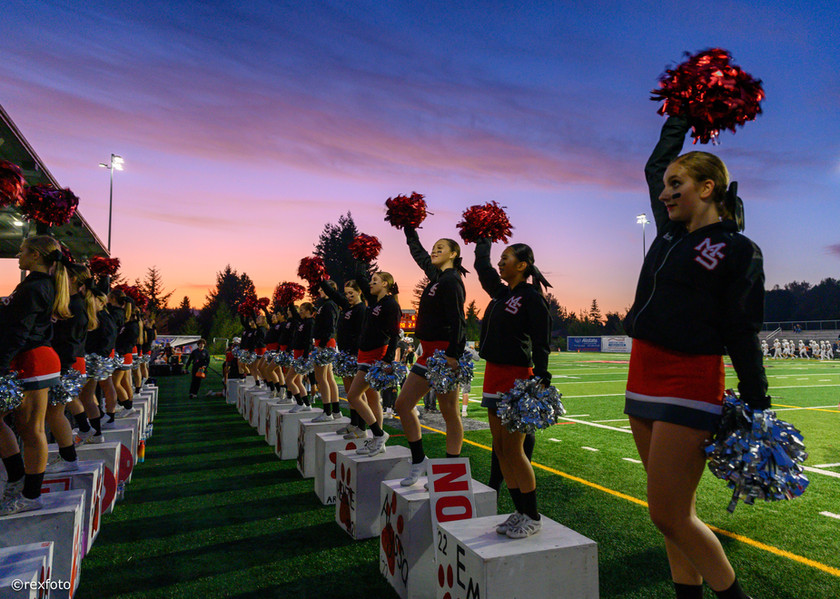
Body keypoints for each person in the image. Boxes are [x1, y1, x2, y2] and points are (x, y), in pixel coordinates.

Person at [622, 116, 768, 599]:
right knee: (673, 513)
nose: (665, 193)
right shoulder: (668, 234)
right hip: (642, 372)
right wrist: (679, 114)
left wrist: (757, 401)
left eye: (676, 185)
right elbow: (654, 164)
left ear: (708, 188)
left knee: (667, 513)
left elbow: (742, 330)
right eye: (664, 187)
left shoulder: (738, 249)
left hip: (690, 377)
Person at [474, 237, 552, 539]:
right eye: (500, 257)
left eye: (506, 257)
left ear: (522, 265)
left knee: (515, 450)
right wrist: (484, 238)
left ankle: (533, 515)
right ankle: (519, 510)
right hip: (493, 375)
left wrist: (542, 375)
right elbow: (482, 267)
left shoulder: (531, 297)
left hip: (517, 377)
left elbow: (542, 338)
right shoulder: (501, 294)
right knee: (501, 449)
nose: (500, 261)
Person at [0, 236, 71, 516]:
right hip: (30, 358)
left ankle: (30, 496)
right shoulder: (36, 285)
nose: (19, 254)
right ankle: (18, 479)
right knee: (24, 426)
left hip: (33, 361)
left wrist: (1, 364)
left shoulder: (35, 287)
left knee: (32, 430)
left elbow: (20, 331)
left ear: (37, 256)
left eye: (23, 251)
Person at [394, 228, 467, 486]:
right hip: (426, 354)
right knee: (402, 405)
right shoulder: (437, 277)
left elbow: (459, 319)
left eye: (440, 247)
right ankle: (418, 461)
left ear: (454, 254)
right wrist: (410, 231)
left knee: (449, 412)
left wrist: (453, 355)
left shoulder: (452, 280)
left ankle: (450, 471)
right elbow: (421, 256)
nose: (435, 250)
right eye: (434, 246)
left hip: (444, 354)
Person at [345, 271, 401, 455]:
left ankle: (378, 434)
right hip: (365, 353)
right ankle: (378, 441)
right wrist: (360, 264)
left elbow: (394, 333)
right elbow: (361, 278)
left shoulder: (390, 304)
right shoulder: (376, 301)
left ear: (385, 283)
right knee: (372, 397)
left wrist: (387, 359)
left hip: (376, 354)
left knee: (353, 396)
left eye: (375, 281)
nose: (371, 283)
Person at [318, 279, 367, 435]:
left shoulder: (362, 309)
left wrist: (355, 352)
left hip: (355, 355)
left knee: (358, 393)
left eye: (351, 293)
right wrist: (320, 278)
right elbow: (333, 293)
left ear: (360, 292)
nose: (348, 296)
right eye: (346, 294)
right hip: (345, 354)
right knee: (349, 392)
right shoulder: (347, 307)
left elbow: (361, 334)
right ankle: (353, 423)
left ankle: (362, 426)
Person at [311, 281, 341, 422]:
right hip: (326, 342)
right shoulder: (327, 304)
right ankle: (335, 411)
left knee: (321, 378)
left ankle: (327, 412)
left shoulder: (329, 305)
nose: (320, 291)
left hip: (325, 343)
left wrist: (321, 345)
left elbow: (329, 327)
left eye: (322, 289)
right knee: (328, 377)